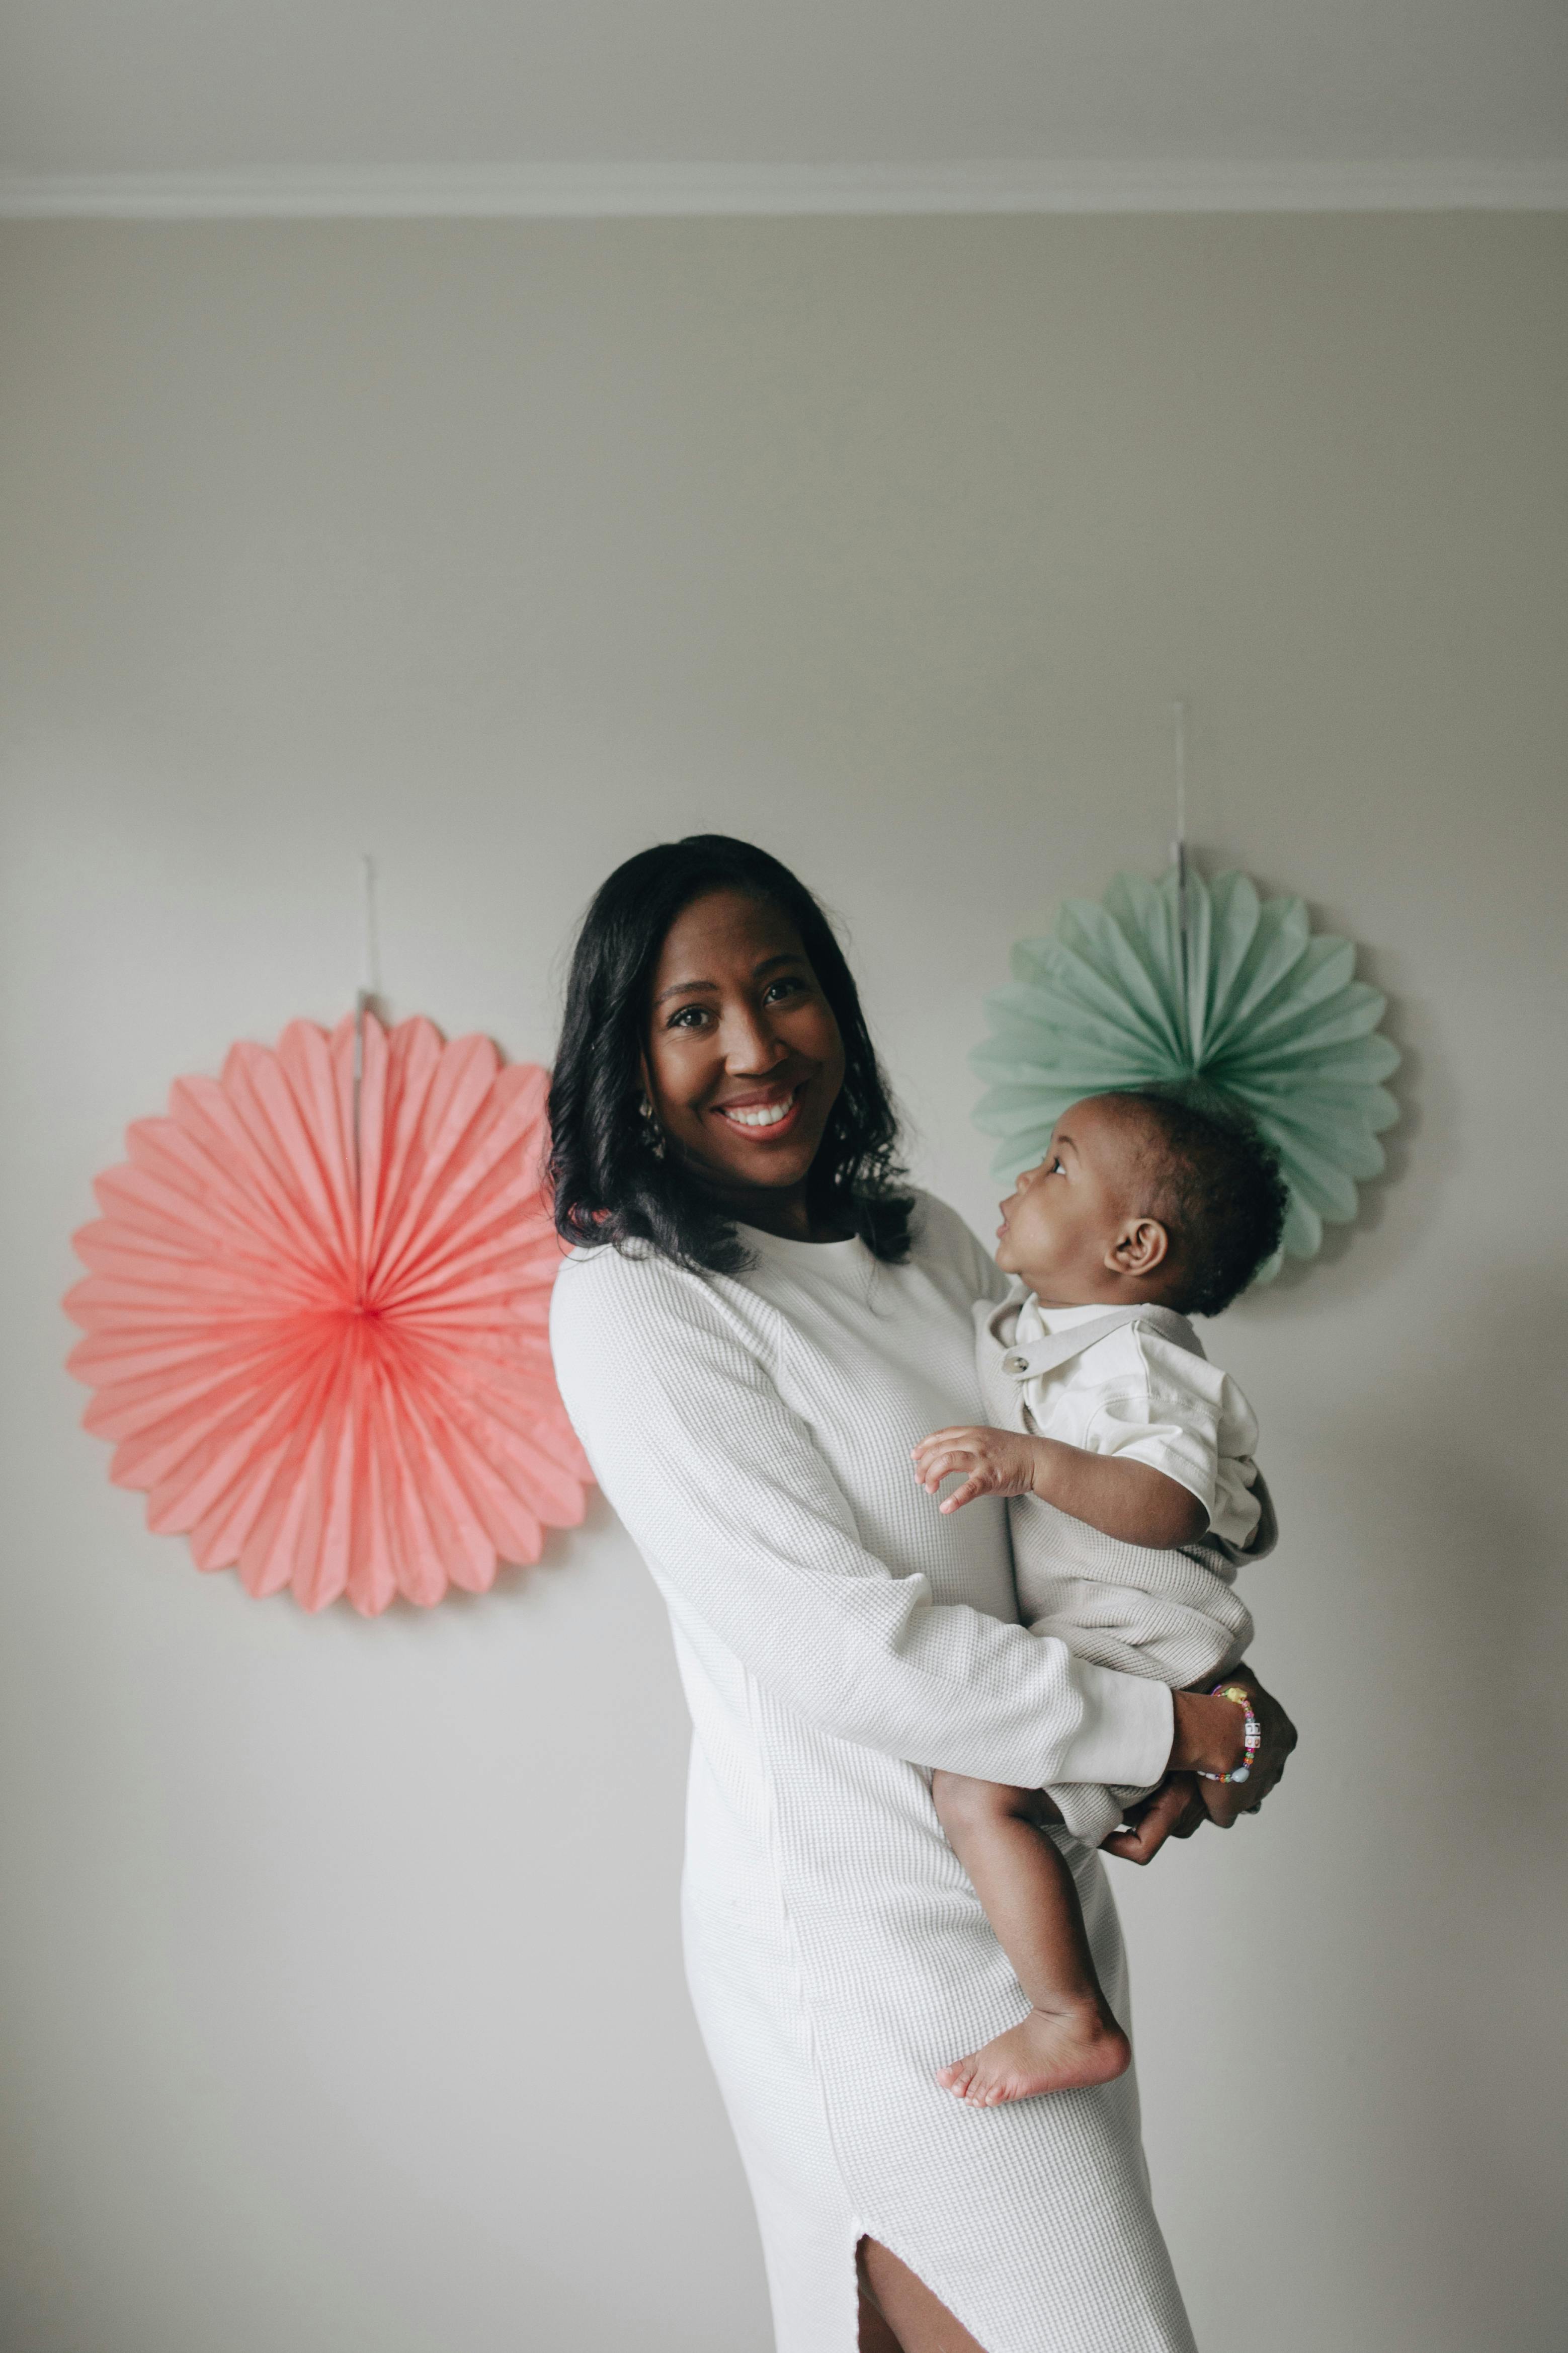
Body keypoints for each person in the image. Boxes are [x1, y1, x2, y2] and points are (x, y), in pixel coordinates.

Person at [546, 835, 1296, 2353]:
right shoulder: (637, 1302)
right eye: (690, 1015)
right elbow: (849, 1651)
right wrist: (1162, 1724)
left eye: (782, 988)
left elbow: (1077, 1506)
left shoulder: (931, 1241)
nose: (753, 1047)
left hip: (1030, 1908)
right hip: (862, 1950)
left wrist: (1211, 1686)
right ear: (625, 1056)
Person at [910, 1089, 1287, 2108]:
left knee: (974, 1794)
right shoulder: (1043, 1326)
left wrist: (1035, 1463)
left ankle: (1068, 2018)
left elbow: (1170, 1502)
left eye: (1056, 1166)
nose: (1022, 1177)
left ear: (1133, 1246)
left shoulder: (1140, 1360)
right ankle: (1063, 2006)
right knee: (988, 1794)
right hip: (1100, 1624)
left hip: (1139, 1626)